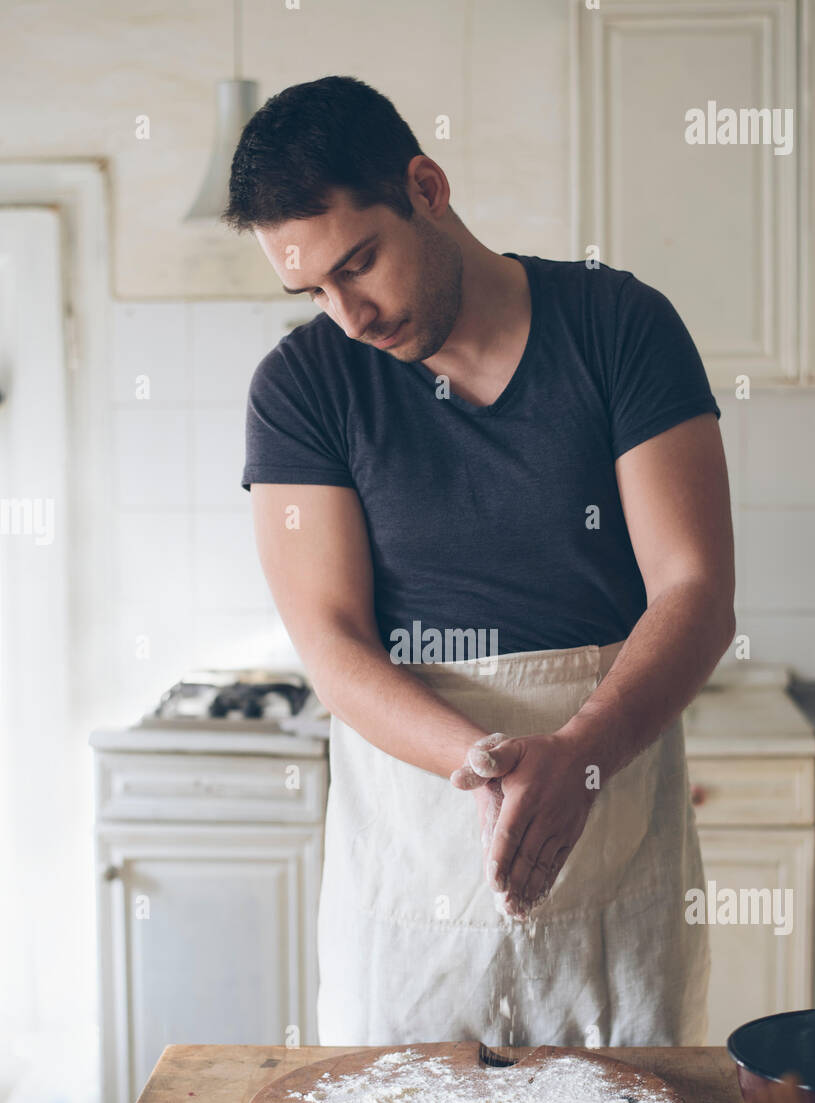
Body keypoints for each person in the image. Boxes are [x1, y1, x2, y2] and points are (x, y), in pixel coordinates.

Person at [224, 75, 735, 1049]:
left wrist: (578, 756)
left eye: (359, 263)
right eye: (312, 292)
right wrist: (482, 763)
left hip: (615, 815)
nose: (350, 315)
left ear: (427, 185)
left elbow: (696, 592)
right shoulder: (302, 387)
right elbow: (331, 640)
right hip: (417, 836)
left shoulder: (619, 326)